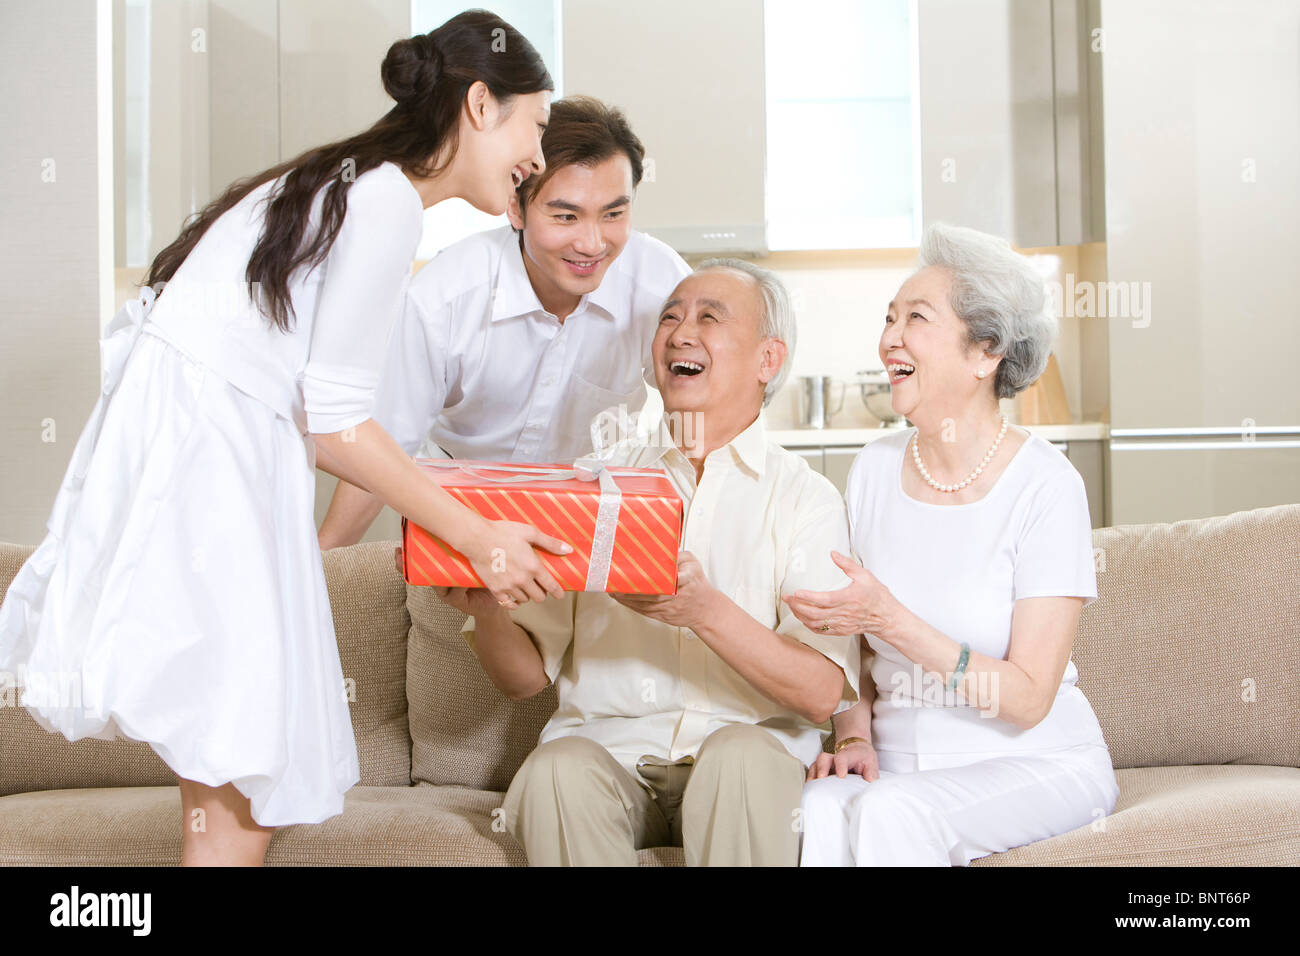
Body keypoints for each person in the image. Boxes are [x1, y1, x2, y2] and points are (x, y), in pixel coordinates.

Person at [0, 11, 573, 867]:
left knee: (235, 772)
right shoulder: (382, 204)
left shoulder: (346, 183)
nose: (538, 152)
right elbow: (339, 421)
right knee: (241, 762)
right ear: (481, 104)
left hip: (204, 461)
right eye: (535, 123)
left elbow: (318, 413)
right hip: (211, 472)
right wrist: (476, 532)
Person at [439, 260, 860, 866]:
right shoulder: (594, 482)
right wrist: (488, 610)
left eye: (708, 318)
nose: (681, 333)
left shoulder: (805, 497)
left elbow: (822, 694)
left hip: (747, 762)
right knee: (556, 768)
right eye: (670, 317)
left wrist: (704, 611)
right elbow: (524, 679)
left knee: (739, 757)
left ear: (768, 360)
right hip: (608, 754)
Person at [791, 222, 1120, 866]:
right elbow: (855, 647)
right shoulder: (874, 469)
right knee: (821, 805)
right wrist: (854, 735)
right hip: (906, 763)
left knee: (890, 811)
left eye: (916, 317)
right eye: (889, 318)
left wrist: (896, 622)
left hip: (1033, 762)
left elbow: (1026, 699)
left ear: (985, 352)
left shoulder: (1046, 485)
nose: (890, 338)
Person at [317, 95, 690, 550]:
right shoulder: (445, 298)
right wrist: (325, 566)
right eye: (565, 216)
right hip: (458, 517)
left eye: (614, 214)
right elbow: (384, 447)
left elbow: (701, 411)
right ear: (515, 209)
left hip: (591, 519)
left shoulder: (661, 284)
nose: (593, 243)